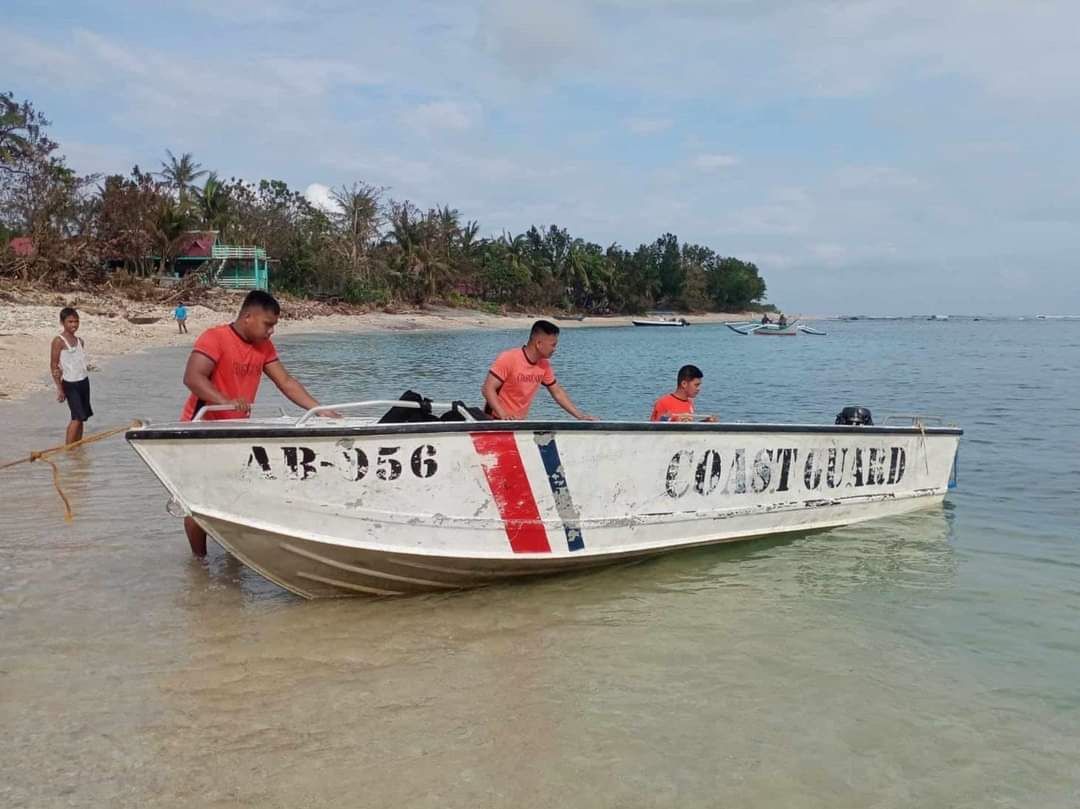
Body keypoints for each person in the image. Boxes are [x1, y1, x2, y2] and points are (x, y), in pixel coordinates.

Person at [179, 290, 327, 556]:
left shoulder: (264, 346)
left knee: (237, 497)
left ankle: (235, 557)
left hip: (237, 432)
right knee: (199, 501)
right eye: (268, 324)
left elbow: (286, 382)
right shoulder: (215, 337)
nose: (271, 331)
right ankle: (199, 563)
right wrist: (226, 402)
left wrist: (320, 410)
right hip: (202, 430)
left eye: (274, 326)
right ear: (248, 316)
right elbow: (192, 377)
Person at [481, 319, 596, 421]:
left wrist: (580, 416)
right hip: (495, 420)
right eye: (553, 345)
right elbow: (487, 389)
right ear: (539, 344)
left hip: (518, 423)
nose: (555, 349)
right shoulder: (509, 358)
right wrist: (503, 415)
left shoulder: (544, 365)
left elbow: (557, 393)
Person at [50, 307, 93, 445]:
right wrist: (59, 388)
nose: (74, 324)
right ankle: (68, 449)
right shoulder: (59, 341)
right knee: (76, 417)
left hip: (83, 382)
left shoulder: (80, 341)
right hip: (70, 384)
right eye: (70, 322)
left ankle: (77, 448)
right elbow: (54, 366)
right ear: (62, 322)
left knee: (82, 417)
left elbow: (80, 362)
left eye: (76, 321)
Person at [650, 364, 718, 423]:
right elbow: (655, 427)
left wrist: (705, 422)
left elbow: (689, 427)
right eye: (696, 385)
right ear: (684, 384)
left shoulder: (689, 403)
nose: (698, 389)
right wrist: (676, 421)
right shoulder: (663, 402)